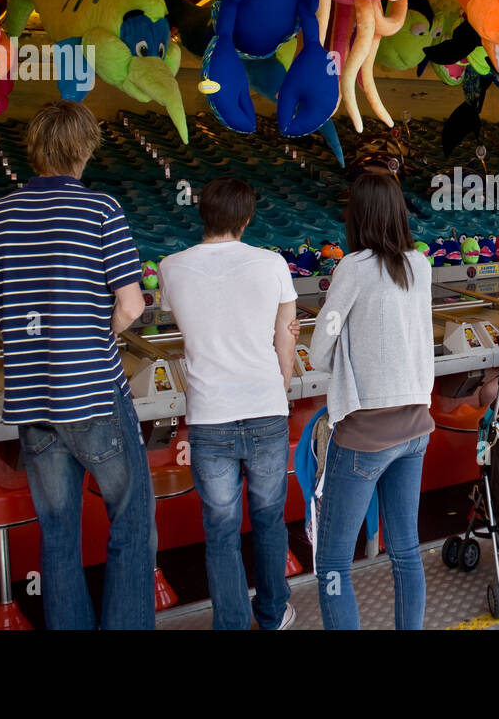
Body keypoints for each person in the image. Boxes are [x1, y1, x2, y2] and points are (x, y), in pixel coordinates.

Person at [0, 101, 155, 629]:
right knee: (132, 523)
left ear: (36, 149)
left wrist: (30, 344)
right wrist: (93, 338)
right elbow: (133, 305)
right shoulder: (101, 210)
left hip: (34, 403)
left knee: (58, 536)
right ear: (85, 148)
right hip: (94, 393)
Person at [158, 177, 298, 630]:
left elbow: (182, 327)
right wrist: (282, 385)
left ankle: (233, 624)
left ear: (204, 214)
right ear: (246, 217)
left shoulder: (171, 267)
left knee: (220, 532)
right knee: (269, 520)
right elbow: (286, 337)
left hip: (210, 415)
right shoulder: (271, 263)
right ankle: (273, 614)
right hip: (265, 407)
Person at [308, 172, 435, 629]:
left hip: (366, 435)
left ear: (356, 216)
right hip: (416, 430)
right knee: (406, 551)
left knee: (334, 563)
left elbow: (322, 344)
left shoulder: (353, 268)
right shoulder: (419, 264)